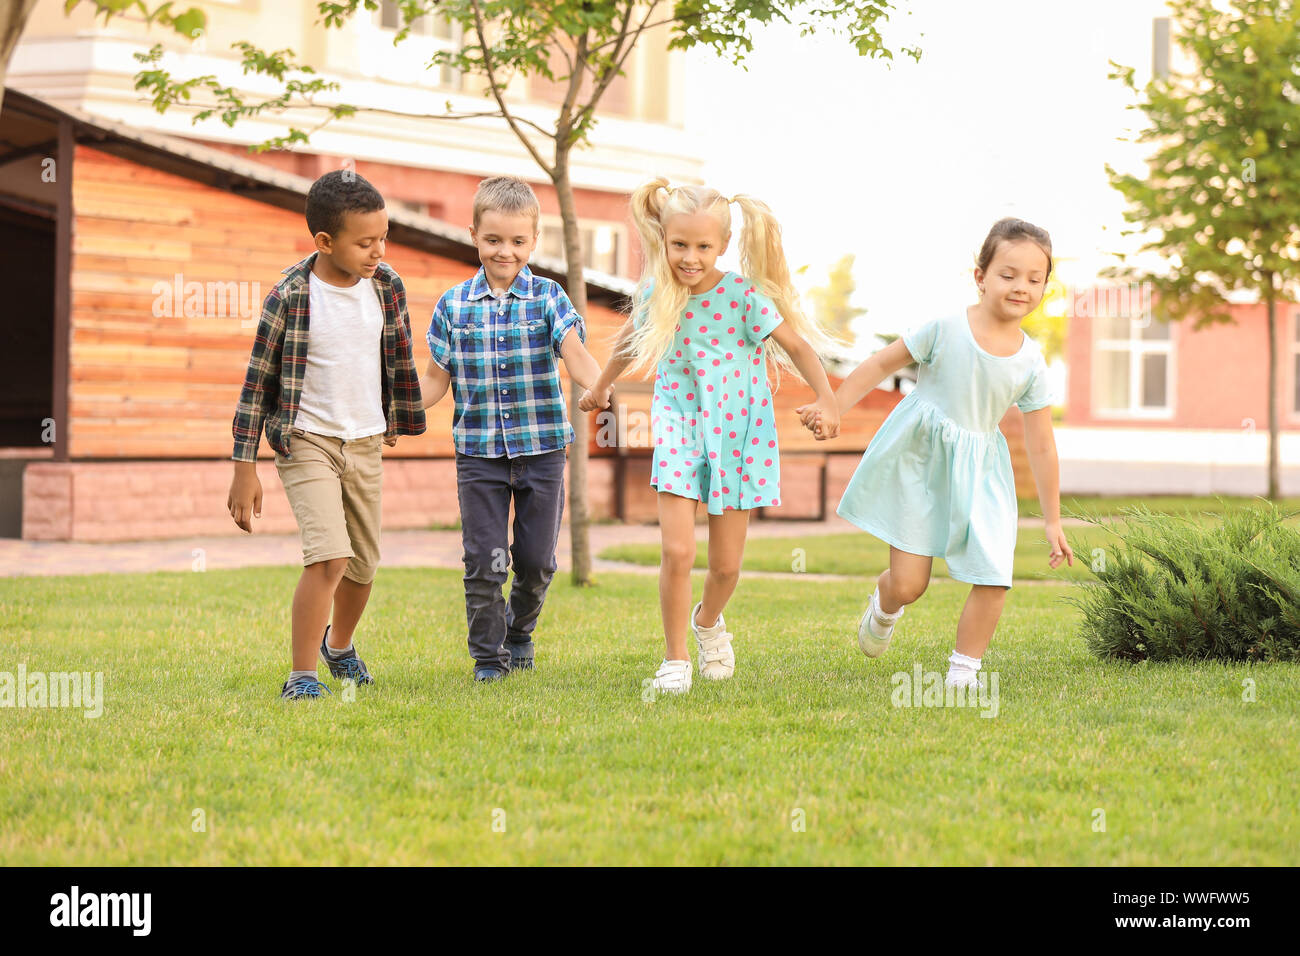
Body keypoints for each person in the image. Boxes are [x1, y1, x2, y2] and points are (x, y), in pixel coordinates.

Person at [580, 179, 840, 694]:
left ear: (722, 245)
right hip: (679, 427)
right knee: (677, 552)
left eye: (703, 246)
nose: (690, 257)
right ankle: (675, 658)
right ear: (664, 239)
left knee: (725, 567)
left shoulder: (745, 297)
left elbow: (801, 348)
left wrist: (828, 400)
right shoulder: (658, 293)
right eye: (680, 245)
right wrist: (601, 388)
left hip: (740, 436)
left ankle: (707, 623)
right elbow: (629, 345)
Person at [831, 217, 1074, 689]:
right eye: (1008, 274)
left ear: (1045, 286)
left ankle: (964, 671)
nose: (1020, 286)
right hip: (919, 463)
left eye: (1034, 278)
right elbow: (882, 362)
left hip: (981, 472)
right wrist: (834, 407)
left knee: (994, 573)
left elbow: (1042, 443)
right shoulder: (944, 328)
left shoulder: (1030, 360)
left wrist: (1052, 519)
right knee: (909, 585)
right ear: (980, 276)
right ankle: (884, 605)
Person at [227, 170, 426, 700]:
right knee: (329, 558)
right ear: (325, 241)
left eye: (384, 238)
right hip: (306, 439)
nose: (378, 251)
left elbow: (397, 357)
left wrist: (398, 415)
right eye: (365, 242)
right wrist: (243, 466)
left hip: (363, 440)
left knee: (362, 566)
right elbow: (256, 385)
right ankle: (301, 676)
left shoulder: (387, 286)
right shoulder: (290, 294)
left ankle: (338, 647)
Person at [419, 176, 604, 682]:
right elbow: (436, 379)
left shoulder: (549, 298)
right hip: (478, 456)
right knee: (484, 560)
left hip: (542, 450)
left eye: (518, 241)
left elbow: (576, 354)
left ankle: (518, 631)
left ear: (533, 241)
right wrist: (399, 411)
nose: (505, 251)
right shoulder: (453, 305)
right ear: (474, 234)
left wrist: (598, 386)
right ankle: (488, 658)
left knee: (536, 561)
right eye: (494, 239)